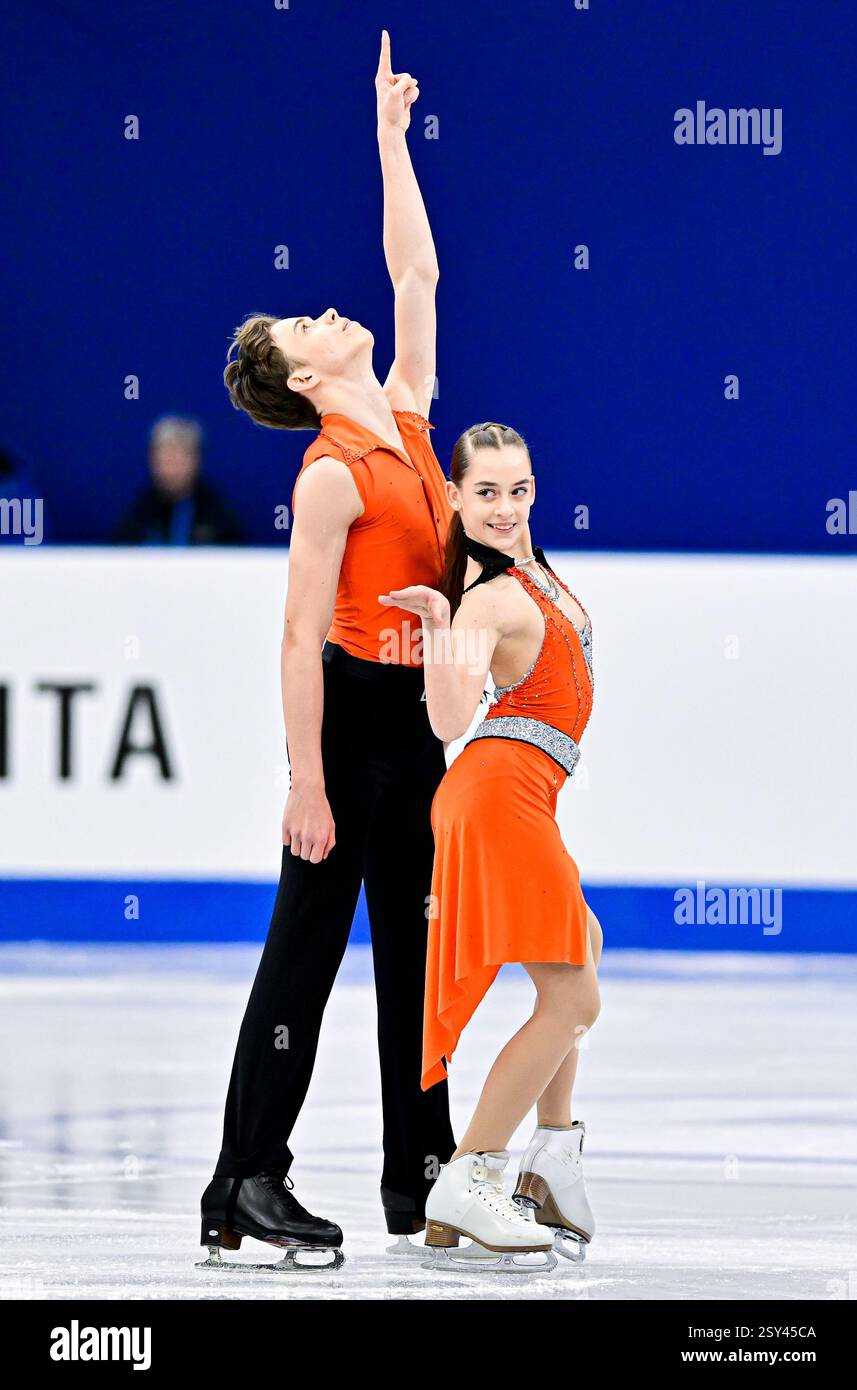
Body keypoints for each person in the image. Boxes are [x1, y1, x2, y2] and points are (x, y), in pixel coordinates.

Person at [198, 31, 455, 1273]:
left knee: (420, 940)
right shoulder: (328, 477)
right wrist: (305, 779)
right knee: (305, 948)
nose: (329, 308)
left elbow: (417, 271)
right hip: (351, 722)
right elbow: (297, 633)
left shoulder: (402, 414)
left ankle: (422, 1170)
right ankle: (245, 1179)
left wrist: (389, 142)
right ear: (304, 376)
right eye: (308, 319)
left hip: (417, 724)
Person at [379, 421, 604, 1272]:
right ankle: (473, 1172)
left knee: (584, 946)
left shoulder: (531, 573)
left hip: (527, 792)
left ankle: (549, 1164)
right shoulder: (482, 599)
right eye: (485, 493)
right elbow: (444, 720)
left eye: (518, 489)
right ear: (457, 500)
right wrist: (443, 622)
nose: (505, 508)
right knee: (575, 998)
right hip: (494, 792)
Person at [113, 416, 245, 546]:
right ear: (153, 459)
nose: (172, 468)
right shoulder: (138, 515)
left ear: (196, 460)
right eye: (166, 457)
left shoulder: (218, 517)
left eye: (179, 457)